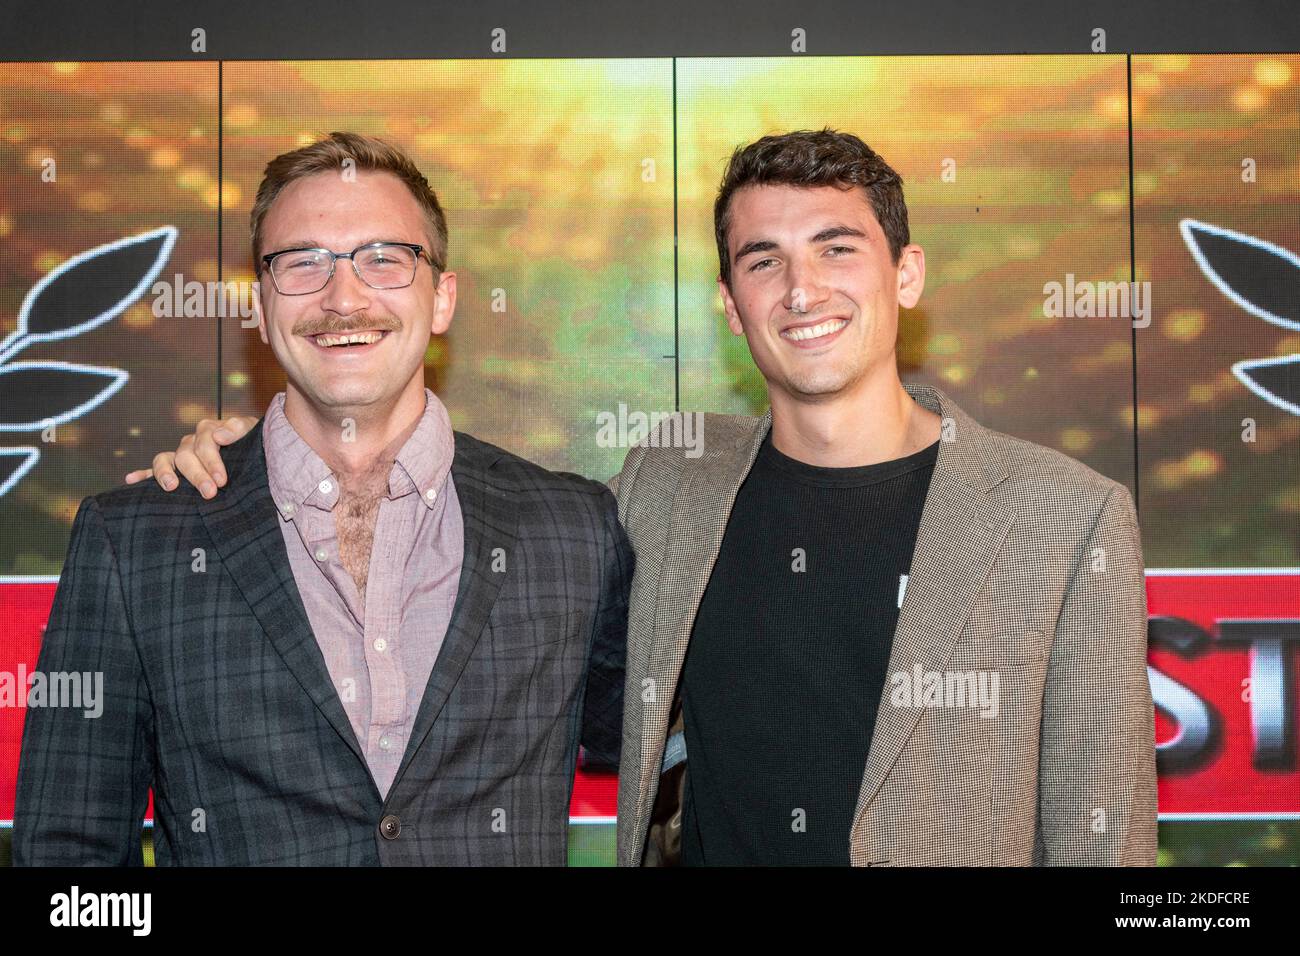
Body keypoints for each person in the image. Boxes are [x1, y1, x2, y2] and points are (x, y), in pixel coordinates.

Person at [130, 128, 1157, 866]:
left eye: (836, 247)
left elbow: (1103, 834)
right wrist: (265, 455)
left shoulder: (1062, 516)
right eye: (764, 259)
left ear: (907, 271)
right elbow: (459, 505)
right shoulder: (663, 485)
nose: (802, 288)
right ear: (729, 302)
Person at [15, 132, 631, 866]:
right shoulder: (138, 538)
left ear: (442, 298)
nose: (344, 297)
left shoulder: (574, 529)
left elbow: (668, 739)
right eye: (302, 261)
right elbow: (67, 868)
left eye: (383, 259)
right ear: (262, 305)